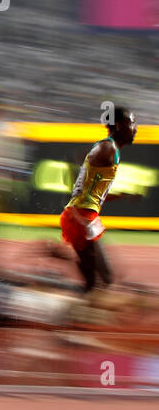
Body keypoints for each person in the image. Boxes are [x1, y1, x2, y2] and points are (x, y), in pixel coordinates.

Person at [60, 107, 138, 292]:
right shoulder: (106, 148)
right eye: (132, 123)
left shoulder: (112, 150)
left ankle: (57, 261)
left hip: (86, 217)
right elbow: (81, 185)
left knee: (104, 278)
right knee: (94, 282)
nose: (135, 128)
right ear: (119, 125)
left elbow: (94, 194)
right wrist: (78, 217)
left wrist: (123, 196)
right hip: (79, 217)